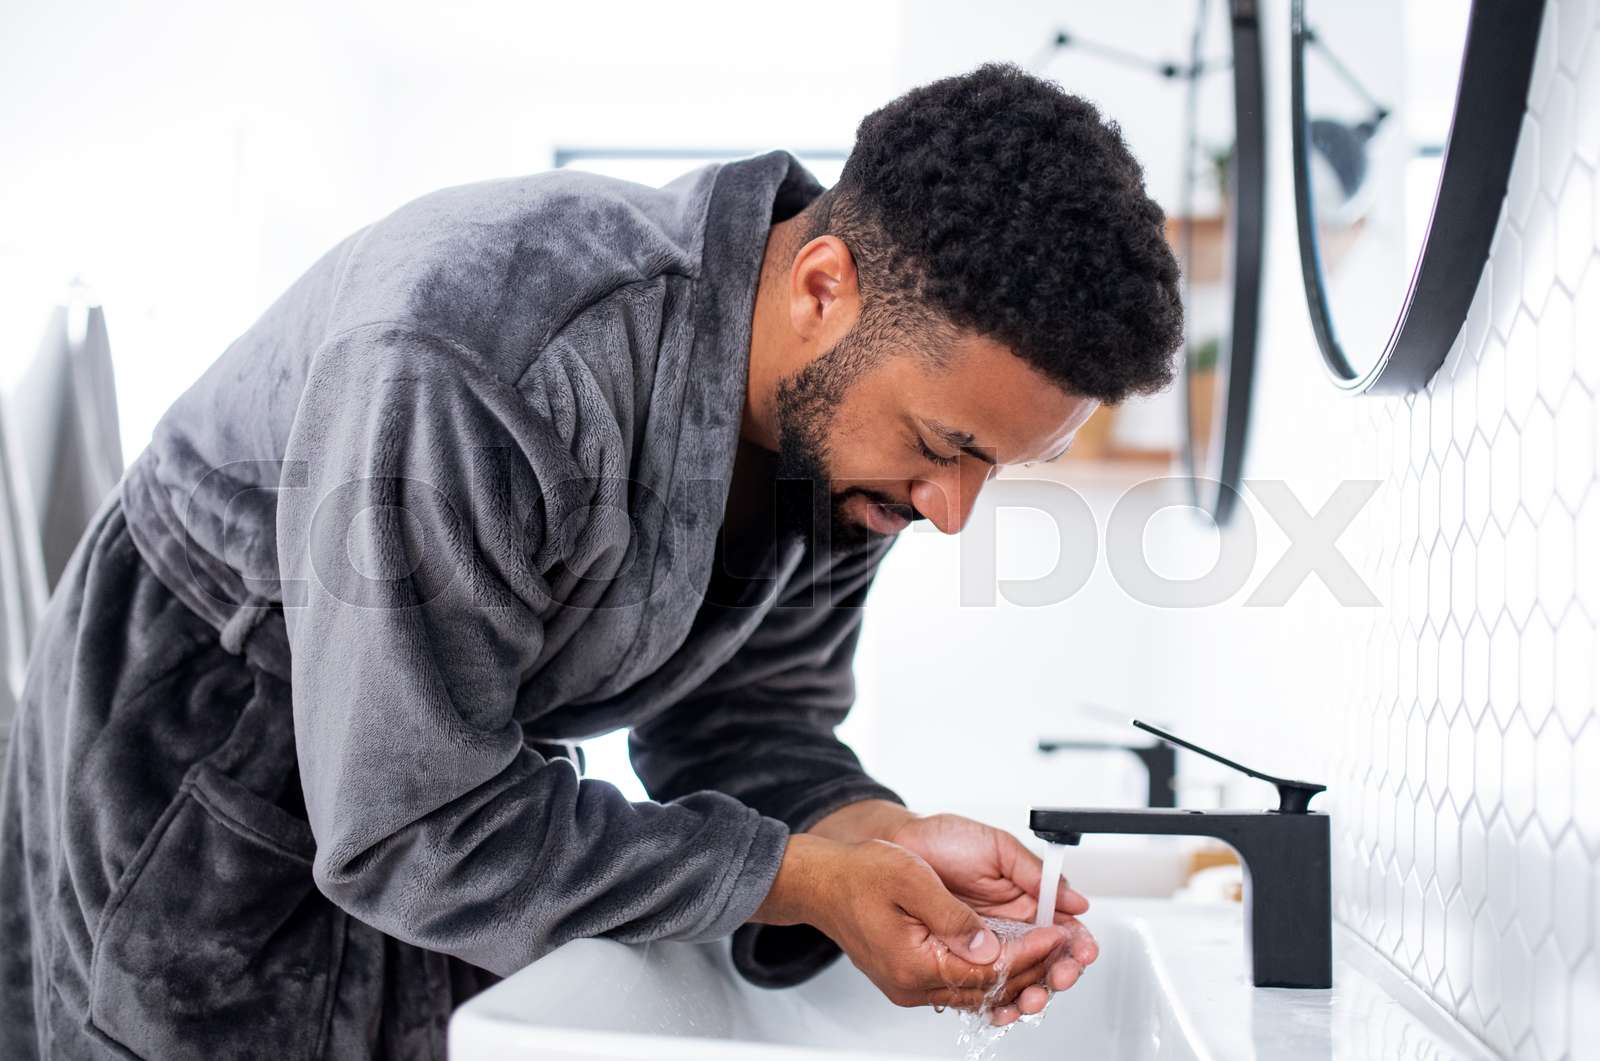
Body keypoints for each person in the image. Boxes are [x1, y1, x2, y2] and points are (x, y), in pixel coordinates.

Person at [0, 61, 1183, 1059]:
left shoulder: (848, 451)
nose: (953, 510)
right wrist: (805, 878)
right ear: (826, 287)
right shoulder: (480, 353)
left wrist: (869, 835)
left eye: (996, 470)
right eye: (946, 447)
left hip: (450, 812)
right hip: (203, 772)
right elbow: (409, 824)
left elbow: (748, 717)